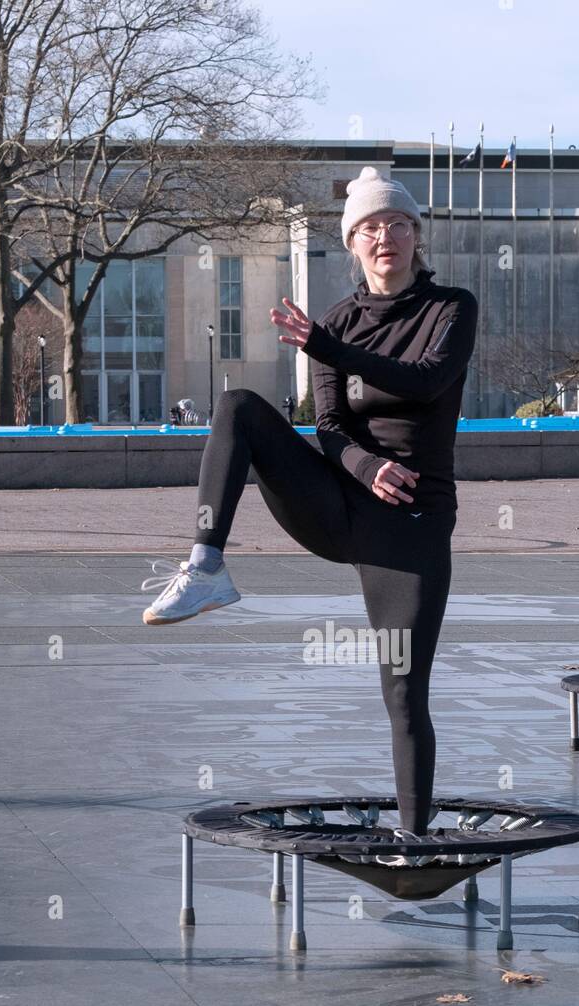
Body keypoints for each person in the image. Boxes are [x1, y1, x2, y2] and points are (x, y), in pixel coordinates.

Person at [141, 166, 478, 862]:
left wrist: (325, 348)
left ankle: (412, 840)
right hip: (338, 502)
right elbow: (328, 426)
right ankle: (206, 565)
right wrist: (366, 466)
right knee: (238, 407)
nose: (384, 237)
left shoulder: (449, 308)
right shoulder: (338, 322)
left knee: (404, 688)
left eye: (397, 224)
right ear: (352, 243)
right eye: (369, 228)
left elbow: (426, 381)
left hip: (410, 523)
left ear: (416, 236)